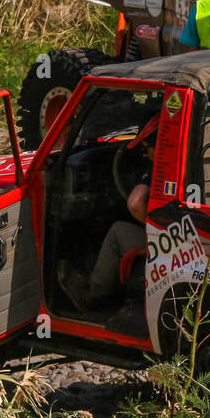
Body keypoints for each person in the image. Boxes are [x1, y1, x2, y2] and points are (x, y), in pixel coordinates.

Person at [59, 121, 155, 315]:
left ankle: (93, 295)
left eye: (147, 148)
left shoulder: (157, 170)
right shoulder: (191, 156)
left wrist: (156, 231)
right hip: (187, 242)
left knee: (117, 231)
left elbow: (135, 204)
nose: (145, 155)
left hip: (163, 244)